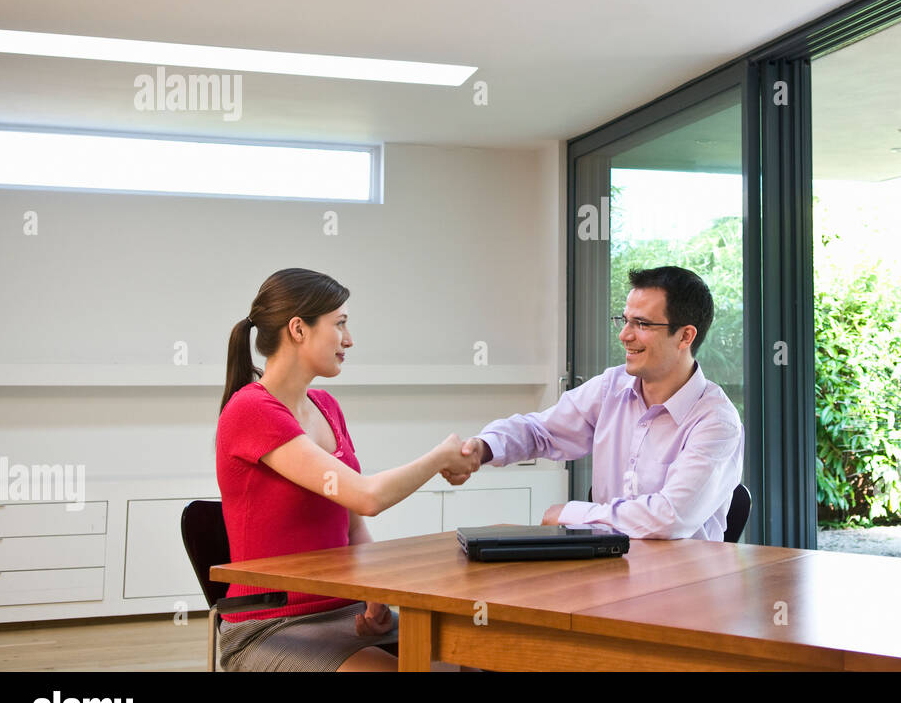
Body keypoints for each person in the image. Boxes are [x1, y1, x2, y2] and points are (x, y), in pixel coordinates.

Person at [215, 267, 475, 672]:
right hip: (272, 626)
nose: (349, 340)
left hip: (345, 615)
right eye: (340, 325)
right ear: (298, 329)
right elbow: (366, 497)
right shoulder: (252, 410)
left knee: (472, 658)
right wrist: (440, 457)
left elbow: (354, 526)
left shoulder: (327, 408)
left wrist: (374, 596)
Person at [445, 266, 743, 540]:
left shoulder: (717, 421)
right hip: (608, 572)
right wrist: (483, 449)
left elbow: (670, 517)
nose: (625, 335)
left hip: (682, 586)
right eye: (624, 320)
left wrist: (571, 514)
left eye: (641, 324)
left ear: (685, 336)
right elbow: (540, 431)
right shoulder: (610, 388)